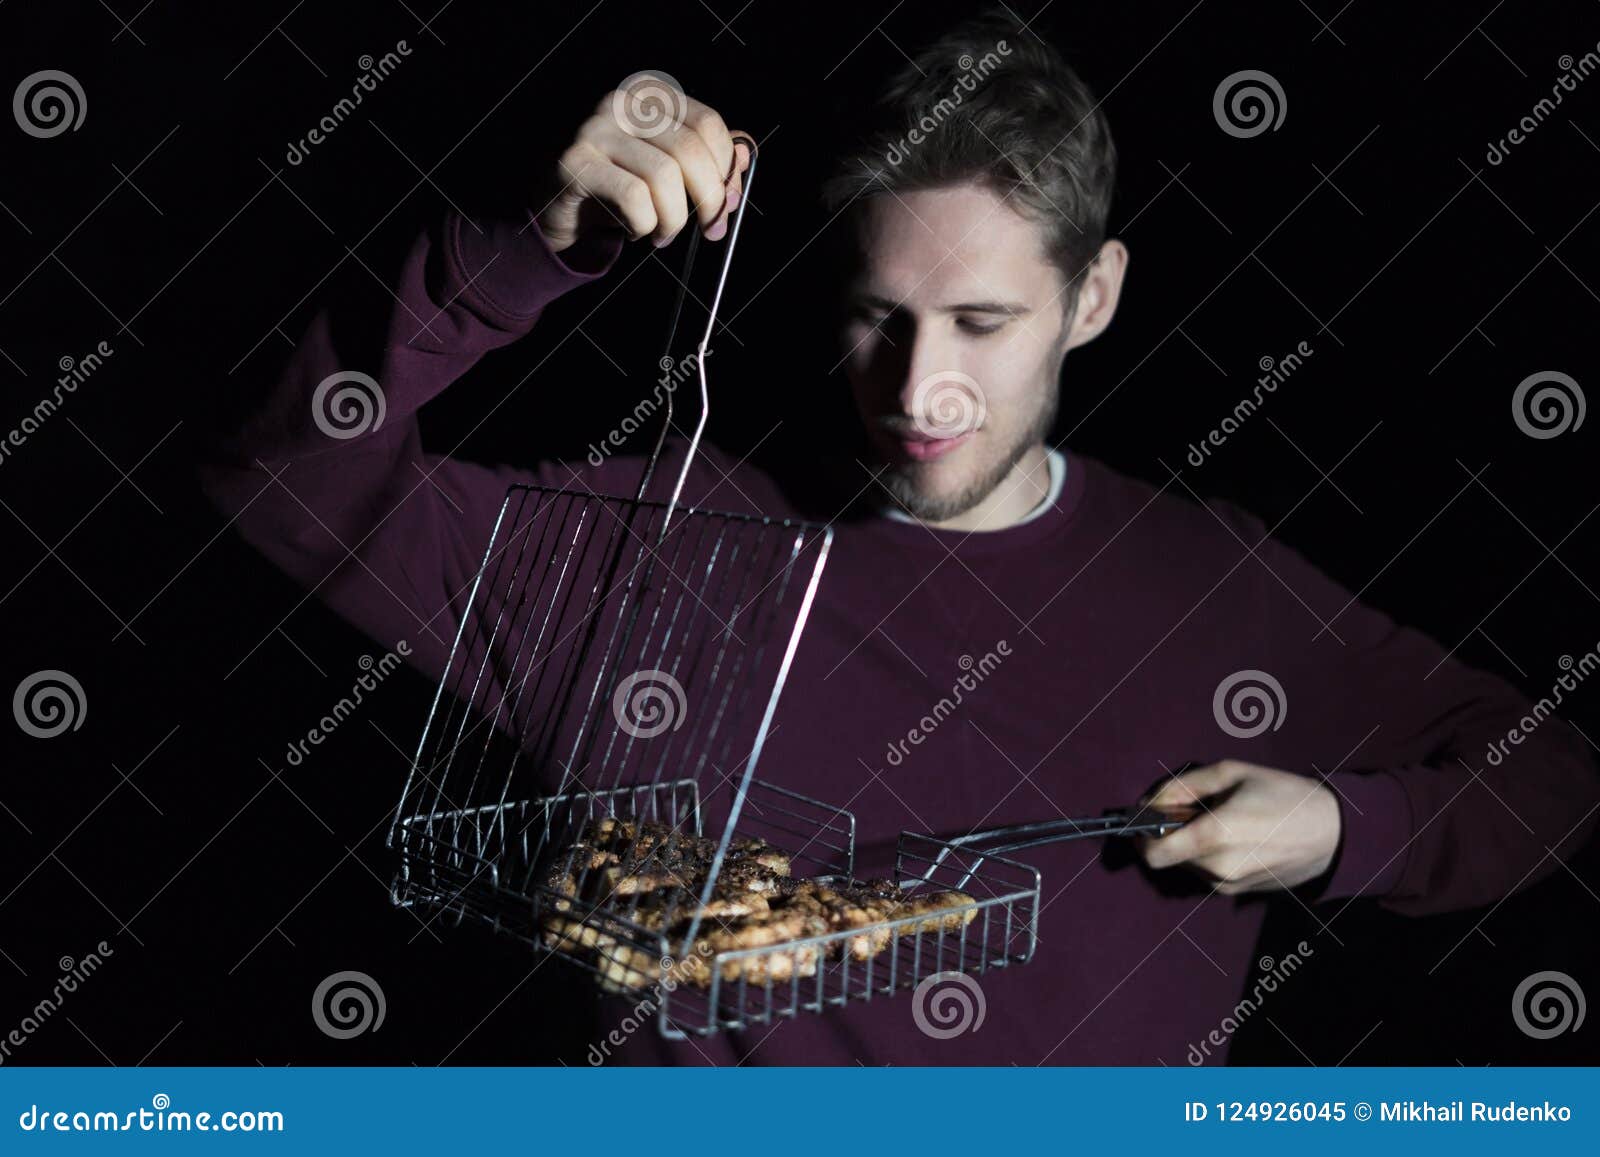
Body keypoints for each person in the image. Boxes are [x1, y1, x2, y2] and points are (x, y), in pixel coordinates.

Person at [200, 13, 1599, 1064]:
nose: (919, 389)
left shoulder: (1208, 587)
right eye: (880, 316)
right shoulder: (658, 545)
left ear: (1092, 297)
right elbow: (279, 477)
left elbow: (1551, 774)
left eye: (983, 324)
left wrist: (1346, 826)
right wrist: (528, 243)